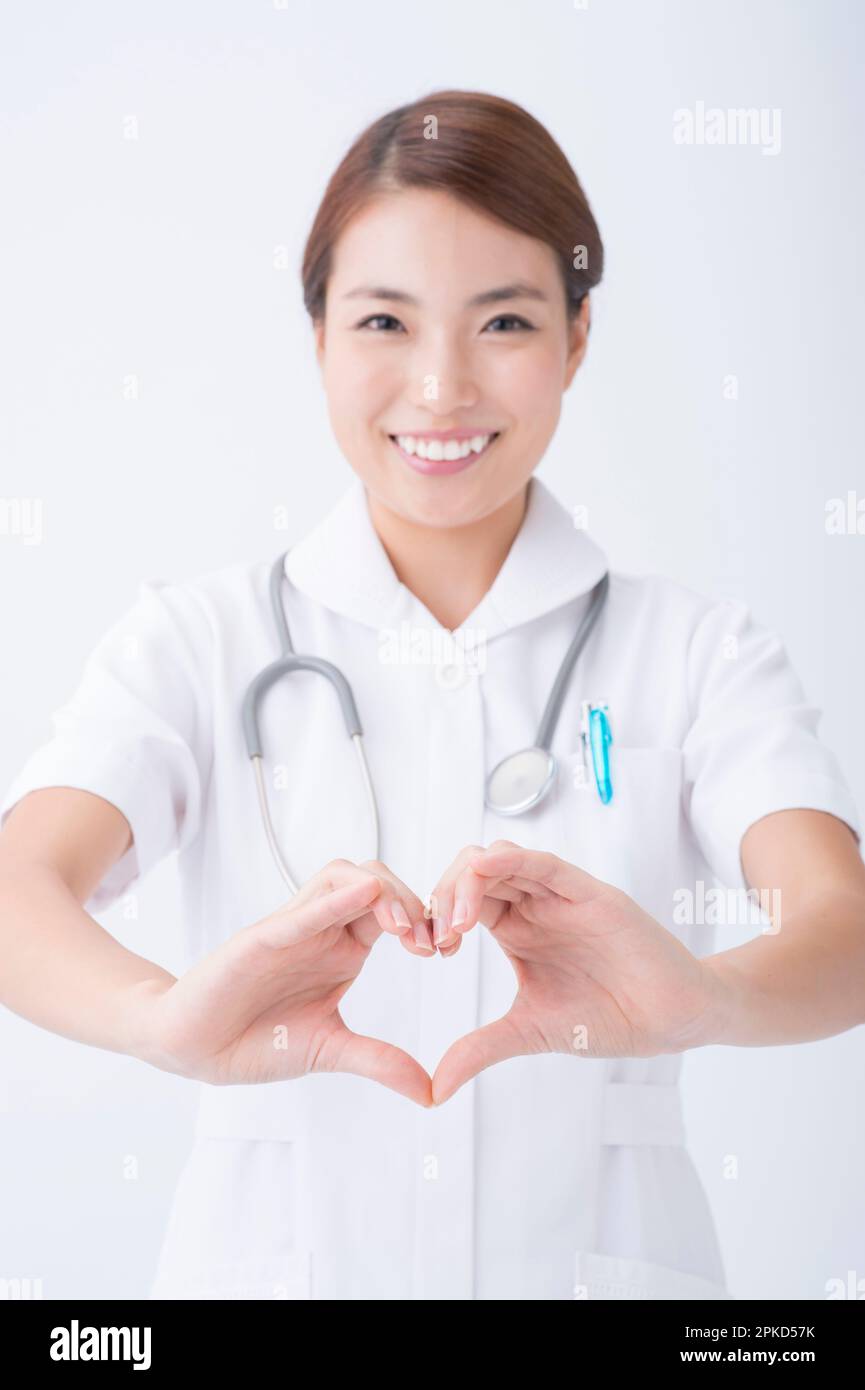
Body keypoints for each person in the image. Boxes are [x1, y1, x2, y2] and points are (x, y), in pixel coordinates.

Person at [1, 89, 863, 1302]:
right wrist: (164, 1017)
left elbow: (843, 927)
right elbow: (15, 887)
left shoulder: (696, 651)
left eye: (504, 319)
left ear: (575, 338)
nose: (442, 385)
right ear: (317, 340)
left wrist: (704, 997)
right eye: (384, 323)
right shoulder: (197, 640)